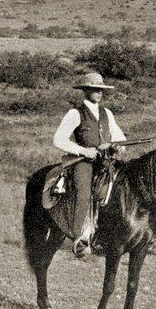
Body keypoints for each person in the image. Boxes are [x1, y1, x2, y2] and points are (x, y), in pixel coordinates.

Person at [52, 72, 126, 257]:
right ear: (85, 91)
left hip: (107, 162)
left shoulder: (107, 113)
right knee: (83, 193)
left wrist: (118, 146)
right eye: (94, 89)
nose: (99, 93)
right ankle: (80, 238)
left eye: (101, 89)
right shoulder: (75, 114)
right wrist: (84, 151)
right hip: (84, 163)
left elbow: (119, 136)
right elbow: (58, 140)